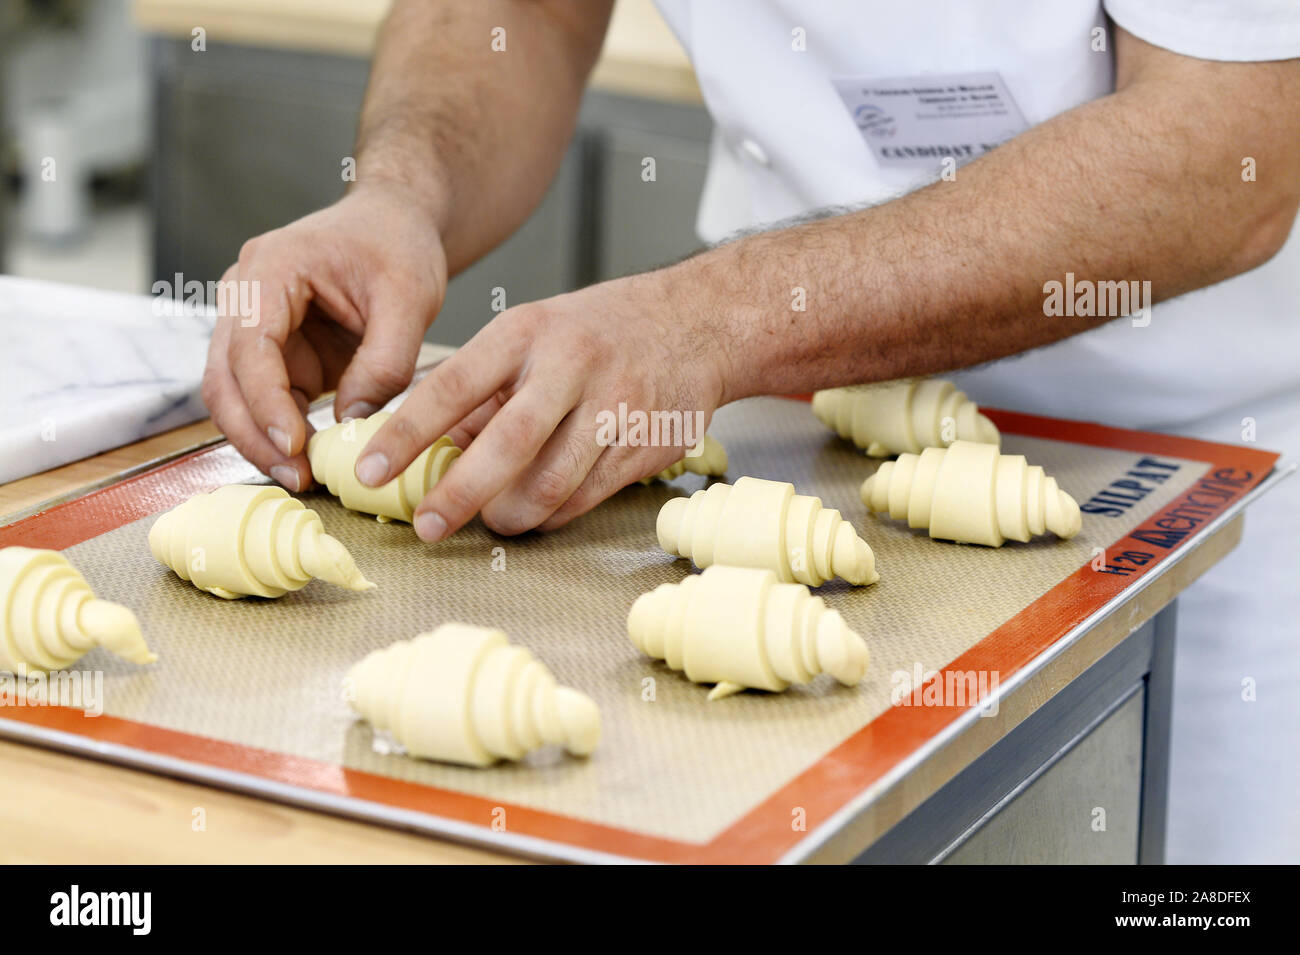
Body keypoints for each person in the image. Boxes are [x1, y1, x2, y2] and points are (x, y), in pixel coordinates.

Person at [202, 1, 1300, 862]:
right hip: (777, 428)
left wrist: (716, 314)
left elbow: (1223, 152)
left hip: (1199, 467)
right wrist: (402, 192)